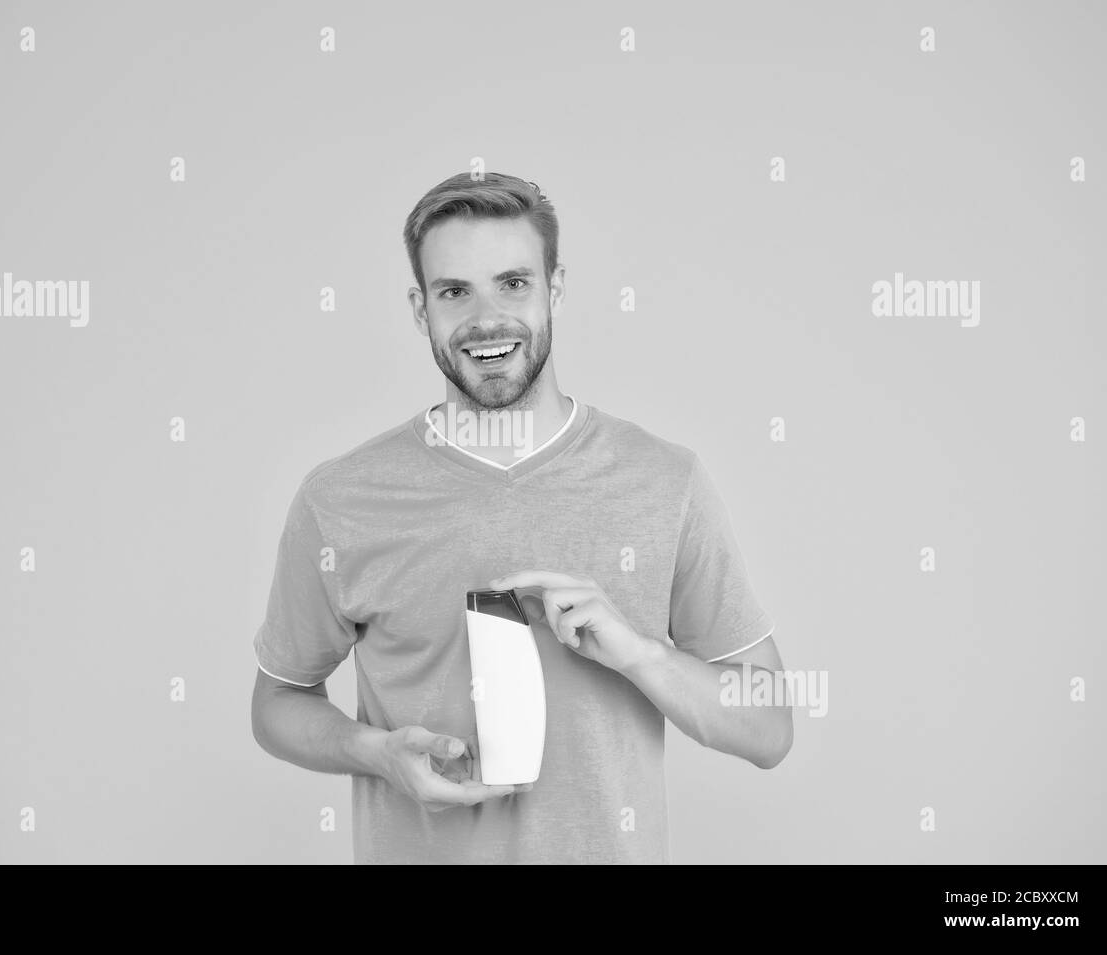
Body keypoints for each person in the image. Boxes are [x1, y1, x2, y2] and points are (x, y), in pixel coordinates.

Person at [250, 171, 792, 864]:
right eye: (454, 291)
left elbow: (770, 725)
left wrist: (640, 654)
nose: (486, 318)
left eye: (513, 282)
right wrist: (376, 753)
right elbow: (277, 703)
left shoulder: (663, 481)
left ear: (554, 287)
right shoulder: (341, 498)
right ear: (420, 309)